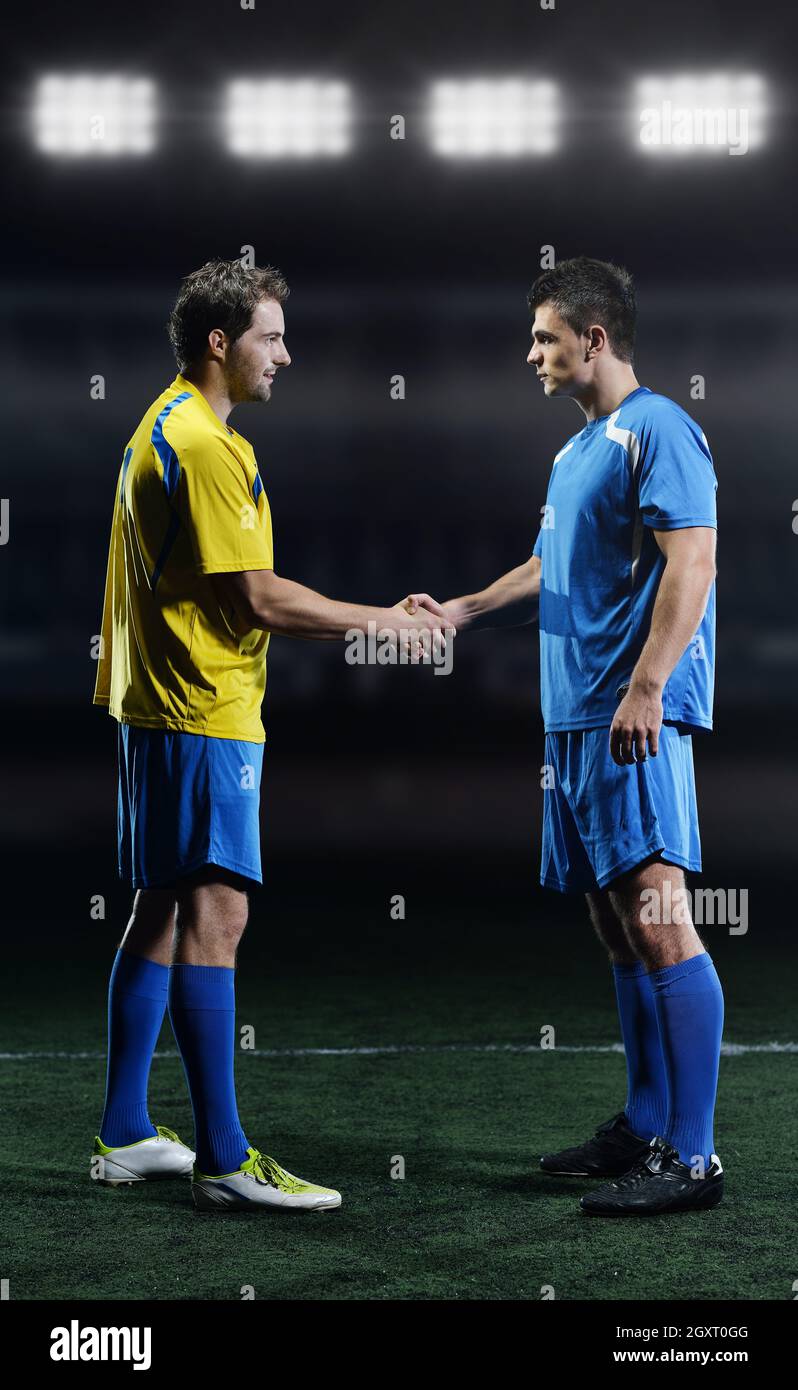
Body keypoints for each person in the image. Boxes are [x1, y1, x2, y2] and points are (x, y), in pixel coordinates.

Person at [92, 257, 451, 1214]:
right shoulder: (204, 443)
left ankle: (126, 1129)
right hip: (200, 710)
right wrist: (386, 622)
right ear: (221, 341)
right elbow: (256, 599)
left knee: (162, 907)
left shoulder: (166, 422)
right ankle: (226, 1161)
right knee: (216, 914)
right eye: (272, 336)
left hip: (160, 705)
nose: (285, 354)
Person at [406, 256, 723, 1216]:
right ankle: (644, 1122)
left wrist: (648, 687)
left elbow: (695, 556)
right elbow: (552, 567)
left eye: (545, 337)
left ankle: (694, 1158)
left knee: (660, 917)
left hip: (632, 714)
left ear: (594, 339)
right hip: (577, 719)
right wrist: (460, 608)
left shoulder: (658, 428)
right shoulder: (577, 451)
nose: (531, 353)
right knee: (617, 921)